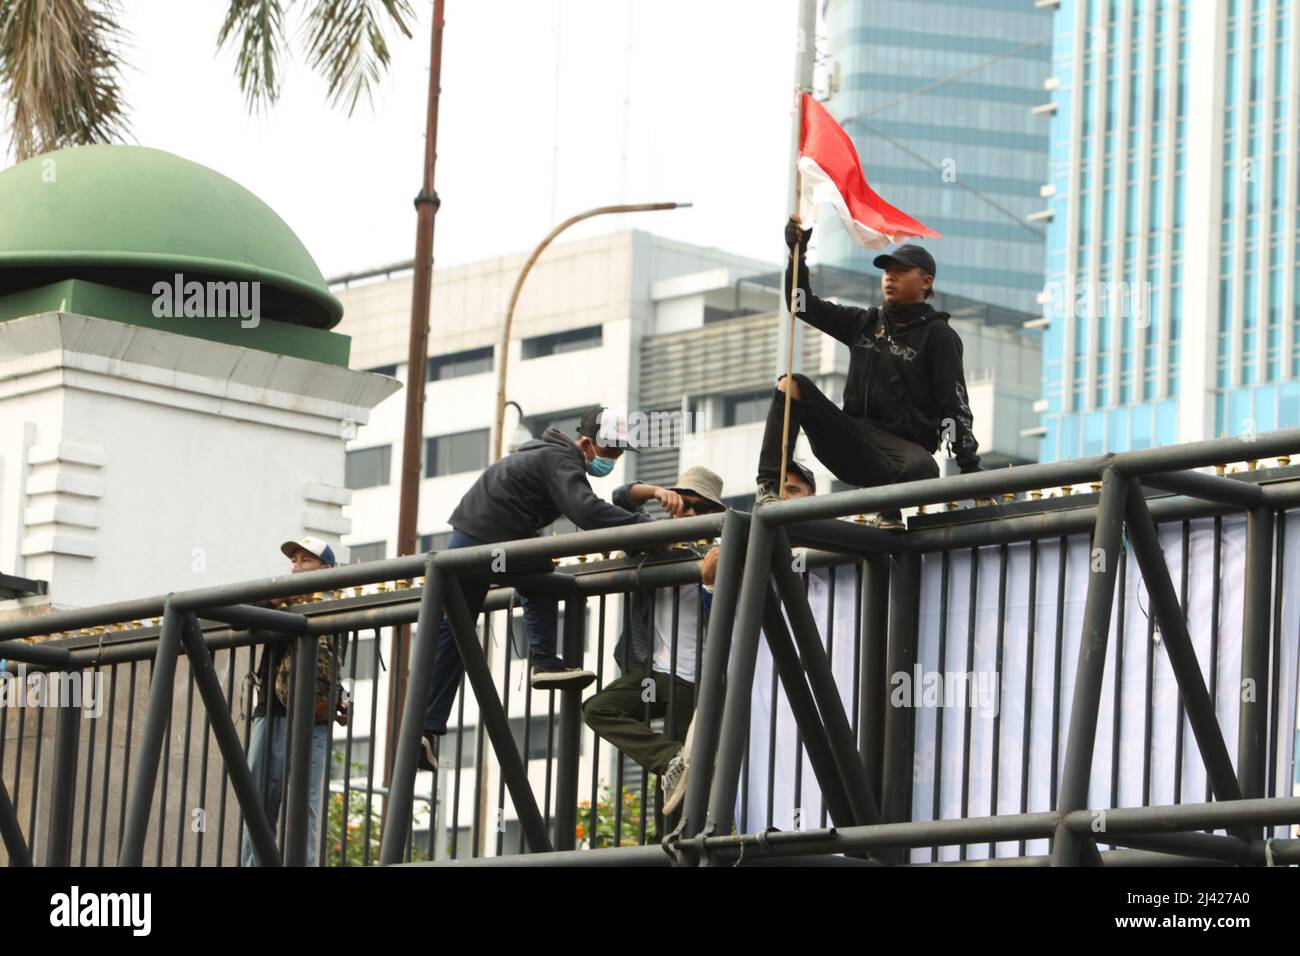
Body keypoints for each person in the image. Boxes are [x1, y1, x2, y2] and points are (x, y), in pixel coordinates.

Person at [420, 406, 652, 771]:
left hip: (469, 541)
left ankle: (425, 728)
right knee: (543, 576)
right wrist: (642, 529)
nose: (614, 458)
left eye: (620, 452)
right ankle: (544, 662)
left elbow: (585, 509)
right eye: (610, 451)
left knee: (456, 635)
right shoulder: (562, 460)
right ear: (587, 443)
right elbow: (587, 512)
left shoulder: (551, 457)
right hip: (490, 540)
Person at [755, 218, 982, 529]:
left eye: (901, 272)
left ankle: (887, 510)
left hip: (901, 453)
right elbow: (803, 306)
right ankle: (767, 487)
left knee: (923, 468)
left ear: (925, 282)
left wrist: (968, 465)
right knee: (790, 384)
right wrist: (797, 256)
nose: (890, 278)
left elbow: (953, 404)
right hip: (852, 438)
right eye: (887, 271)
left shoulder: (939, 336)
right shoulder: (864, 322)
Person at [581, 465, 726, 816]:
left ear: (711, 513)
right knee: (598, 708)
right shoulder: (654, 541)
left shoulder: (721, 552)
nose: (683, 512)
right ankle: (669, 758)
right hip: (656, 674)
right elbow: (619, 500)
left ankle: (678, 846)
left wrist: (708, 582)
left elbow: (730, 618)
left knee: (679, 799)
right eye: (679, 504)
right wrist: (657, 492)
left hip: (696, 682)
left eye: (693, 507)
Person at [241, 536, 348, 867]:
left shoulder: (334, 608)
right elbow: (241, 618)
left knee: (307, 808)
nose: (297, 567)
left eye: (307, 561)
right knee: (260, 807)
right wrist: (276, 600)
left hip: (314, 720)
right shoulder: (275, 601)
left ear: (326, 570)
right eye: (295, 560)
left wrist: (338, 697)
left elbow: (330, 665)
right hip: (273, 712)